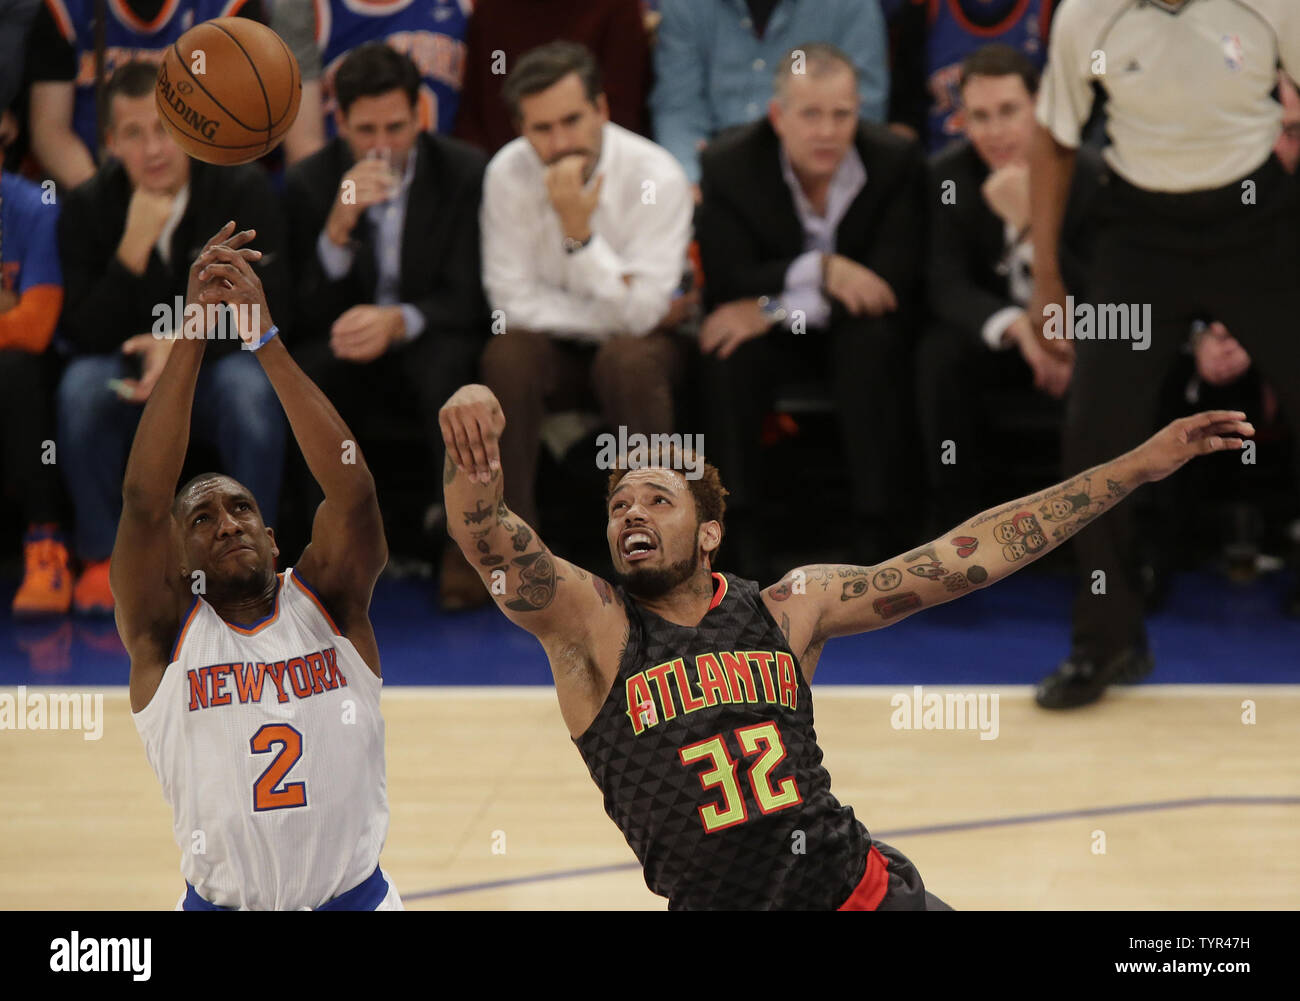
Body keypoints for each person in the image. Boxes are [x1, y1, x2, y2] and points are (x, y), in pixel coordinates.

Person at [440, 380, 1252, 909]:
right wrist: (472, 439)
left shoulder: (793, 608)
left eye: (658, 498)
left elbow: (975, 553)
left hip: (862, 894)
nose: (633, 514)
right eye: (620, 505)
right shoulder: (594, 629)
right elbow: (491, 543)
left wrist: (1136, 468)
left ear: (711, 531)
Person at [118, 221, 400, 910]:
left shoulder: (329, 602)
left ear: (275, 539)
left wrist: (265, 341)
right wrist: (194, 329)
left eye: (241, 510)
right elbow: (144, 502)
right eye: (204, 520)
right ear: (177, 559)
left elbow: (352, 488)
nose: (228, 524)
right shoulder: (165, 637)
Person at [1029, 0, 1300, 708]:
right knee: (1095, 436)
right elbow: (1055, 139)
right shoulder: (1086, 15)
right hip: (1139, 235)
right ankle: (1106, 638)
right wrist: (1049, 279)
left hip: (1261, 221)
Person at [56, 61, 287, 616]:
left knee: (249, 392)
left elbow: (274, 312)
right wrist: (130, 253)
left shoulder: (240, 190)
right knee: (82, 387)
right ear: (110, 142)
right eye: (133, 134)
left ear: (191, 132)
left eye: (164, 129)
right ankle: (98, 560)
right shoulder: (89, 205)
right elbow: (80, 331)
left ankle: (253, 559)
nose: (152, 149)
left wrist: (184, 345)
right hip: (129, 375)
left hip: (212, 369)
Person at [695, 43, 925, 576]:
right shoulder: (728, 166)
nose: (827, 131)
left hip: (854, 330)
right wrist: (825, 272)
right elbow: (730, 282)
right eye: (811, 114)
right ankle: (736, 530)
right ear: (779, 117)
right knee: (727, 349)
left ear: (858, 113)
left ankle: (878, 526)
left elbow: (888, 287)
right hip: (773, 335)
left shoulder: (894, 162)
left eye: (841, 114)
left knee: (874, 338)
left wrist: (775, 304)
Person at [286, 42, 487, 608]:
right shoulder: (310, 182)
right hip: (346, 342)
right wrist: (338, 228)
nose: (381, 146)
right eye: (365, 129)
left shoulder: (463, 172)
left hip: (430, 333)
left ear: (420, 115)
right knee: (309, 375)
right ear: (339, 120)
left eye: (396, 128)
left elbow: (471, 296)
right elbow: (301, 312)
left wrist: (400, 320)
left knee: (449, 372)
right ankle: (328, 549)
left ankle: (466, 546)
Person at [479, 41, 692, 554]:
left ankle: (655, 550)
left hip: (640, 350)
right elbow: (508, 304)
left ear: (602, 109)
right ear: (520, 128)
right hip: (559, 347)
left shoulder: (656, 175)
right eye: (542, 128)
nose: (560, 142)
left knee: (628, 362)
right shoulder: (507, 173)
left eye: (572, 120)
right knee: (508, 354)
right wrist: (615, 304)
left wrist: (580, 236)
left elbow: (644, 318)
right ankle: (514, 550)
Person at [920, 43, 1103, 531]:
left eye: (1008, 112)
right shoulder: (948, 178)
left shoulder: (1090, 173)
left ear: (1039, 106)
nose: (995, 131)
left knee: (1125, 346)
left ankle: (1098, 533)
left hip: (1081, 333)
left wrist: (1027, 223)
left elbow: (1104, 288)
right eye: (980, 116)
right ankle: (956, 532)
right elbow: (944, 284)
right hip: (999, 341)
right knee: (938, 356)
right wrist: (1021, 329)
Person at [651, 0, 890, 191]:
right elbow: (678, 106)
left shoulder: (851, 5)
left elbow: (861, 106)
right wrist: (692, 178)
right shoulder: (684, 5)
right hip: (715, 174)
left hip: (811, 175)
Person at [25, 0, 265, 190]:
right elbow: (50, 129)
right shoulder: (65, 8)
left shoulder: (228, 8)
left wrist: (184, 200)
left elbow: (240, 127)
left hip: (199, 184)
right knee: (50, 203)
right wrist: (100, 198)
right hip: (92, 176)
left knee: (249, 187)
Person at [0, 164, 72, 616]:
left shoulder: (35, 205)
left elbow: (34, 327)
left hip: (28, 371)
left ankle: (46, 545)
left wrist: (16, 316)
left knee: (17, 369)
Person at [454, 0, 648, 156]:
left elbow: (621, 108)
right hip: (506, 166)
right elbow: (479, 108)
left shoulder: (617, 8)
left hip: (596, 160)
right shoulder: (492, 11)